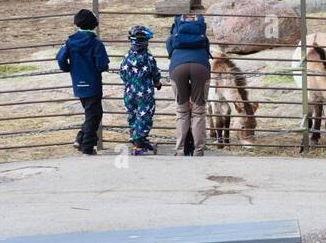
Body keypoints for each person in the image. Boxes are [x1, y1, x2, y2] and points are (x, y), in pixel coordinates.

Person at [56, 9, 109, 155]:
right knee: (95, 115)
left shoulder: (69, 42)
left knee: (91, 114)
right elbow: (101, 65)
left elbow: (60, 58)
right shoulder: (96, 44)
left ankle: (81, 139)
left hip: (78, 83)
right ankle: (86, 146)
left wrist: (67, 68)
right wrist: (103, 67)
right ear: (94, 24)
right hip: (93, 84)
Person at [166, 13, 211, 156]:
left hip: (178, 68)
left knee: (182, 111)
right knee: (199, 111)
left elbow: (170, 53)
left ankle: (180, 150)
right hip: (201, 68)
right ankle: (198, 151)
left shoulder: (173, 37)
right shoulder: (202, 37)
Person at [119, 25, 162, 155]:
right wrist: (157, 83)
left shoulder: (127, 57)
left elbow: (122, 73)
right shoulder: (148, 58)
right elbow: (155, 73)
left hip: (129, 93)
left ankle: (137, 139)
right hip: (144, 93)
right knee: (145, 116)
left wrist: (130, 82)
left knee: (132, 115)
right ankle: (139, 144)